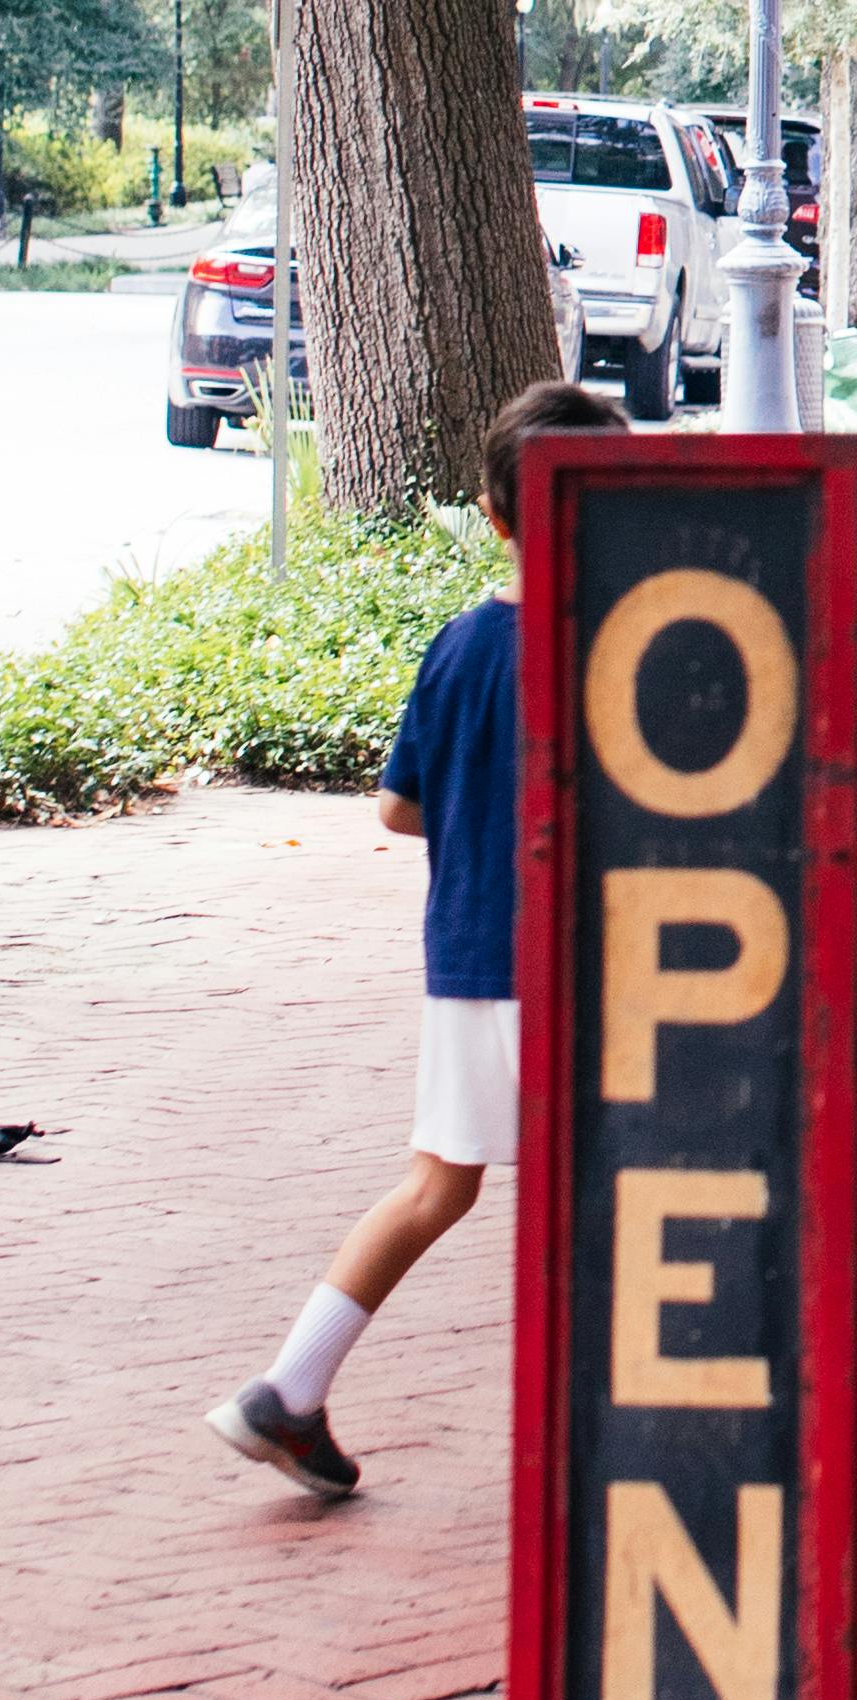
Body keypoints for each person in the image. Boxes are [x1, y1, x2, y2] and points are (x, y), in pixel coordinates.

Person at [207, 375, 626, 1502]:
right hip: (584, 966)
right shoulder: (618, 647)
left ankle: (290, 1388)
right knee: (615, 1190)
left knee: (435, 1187)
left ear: (492, 518)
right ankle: (607, 1429)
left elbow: (399, 807)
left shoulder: (459, 645)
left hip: (469, 961)